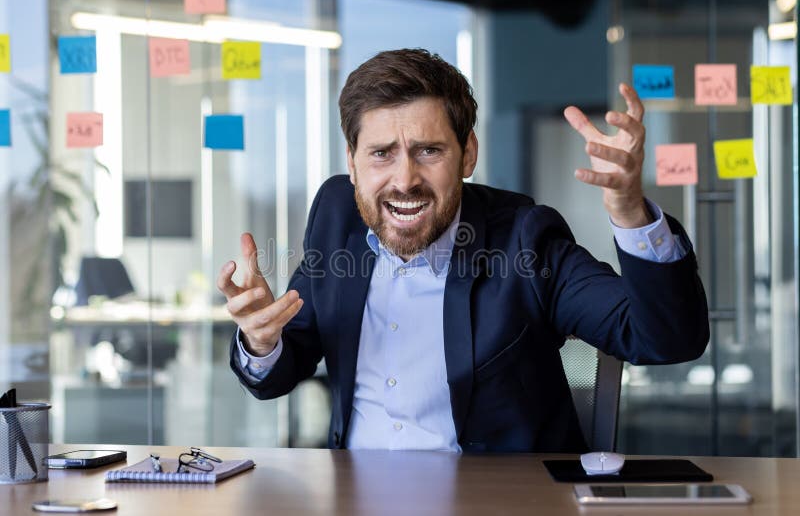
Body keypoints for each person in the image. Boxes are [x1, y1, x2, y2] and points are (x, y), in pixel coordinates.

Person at [217, 48, 709, 453]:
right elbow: (280, 369)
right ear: (352, 162)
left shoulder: (525, 240)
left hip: (494, 504)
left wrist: (630, 211)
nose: (405, 178)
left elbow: (665, 339)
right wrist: (262, 341)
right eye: (381, 153)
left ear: (467, 154)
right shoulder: (336, 218)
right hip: (353, 498)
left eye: (428, 150)